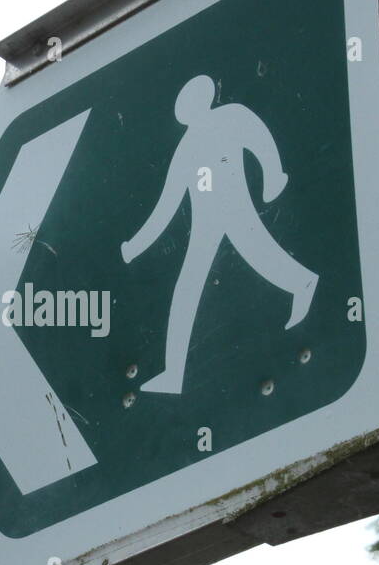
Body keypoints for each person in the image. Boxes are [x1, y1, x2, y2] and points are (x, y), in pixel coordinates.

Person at [122, 75, 318, 394]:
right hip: (207, 222)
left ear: (206, 97)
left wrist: (274, 177)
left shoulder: (231, 116)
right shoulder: (185, 148)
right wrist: (135, 245)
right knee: (188, 286)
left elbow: (261, 140)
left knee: (260, 256)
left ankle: (304, 283)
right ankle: (173, 373)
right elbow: (166, 206)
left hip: (235, 207)